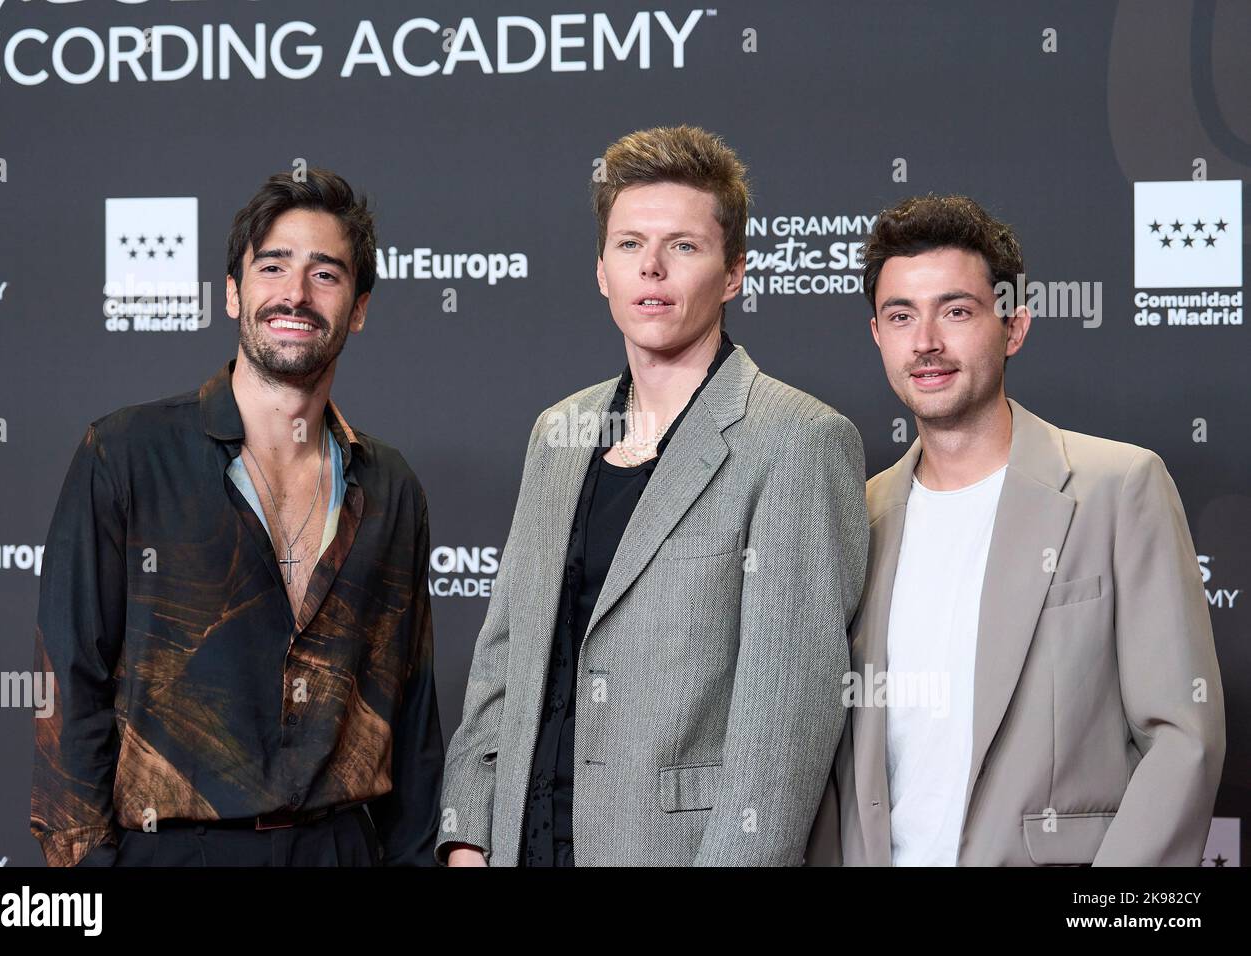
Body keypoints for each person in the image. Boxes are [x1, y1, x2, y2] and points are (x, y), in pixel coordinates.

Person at [438, 125, 868, 866]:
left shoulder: (797, 439)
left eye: (684, 246)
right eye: (630, 244)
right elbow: (504, 657)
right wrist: (468, 836)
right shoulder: (558, 433)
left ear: (733, 272)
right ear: (602, 269)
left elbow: (784, 727)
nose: (653, 269)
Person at [31, 169, 443, 866]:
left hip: (338, 849)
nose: (295, 294)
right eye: (273, 267)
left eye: (326, 274)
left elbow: (412, 706)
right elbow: (69, 683)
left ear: (361, 306)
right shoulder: (126, 454)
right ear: (233, 293)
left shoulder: (390, 485)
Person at [810, 194, 1224, 866]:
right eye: (901, 316)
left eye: (957, 311)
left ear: (1015, 326)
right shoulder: (858, 514)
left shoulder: (1117, 488)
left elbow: (1184, 737)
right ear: (878, 335)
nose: (926, 343)